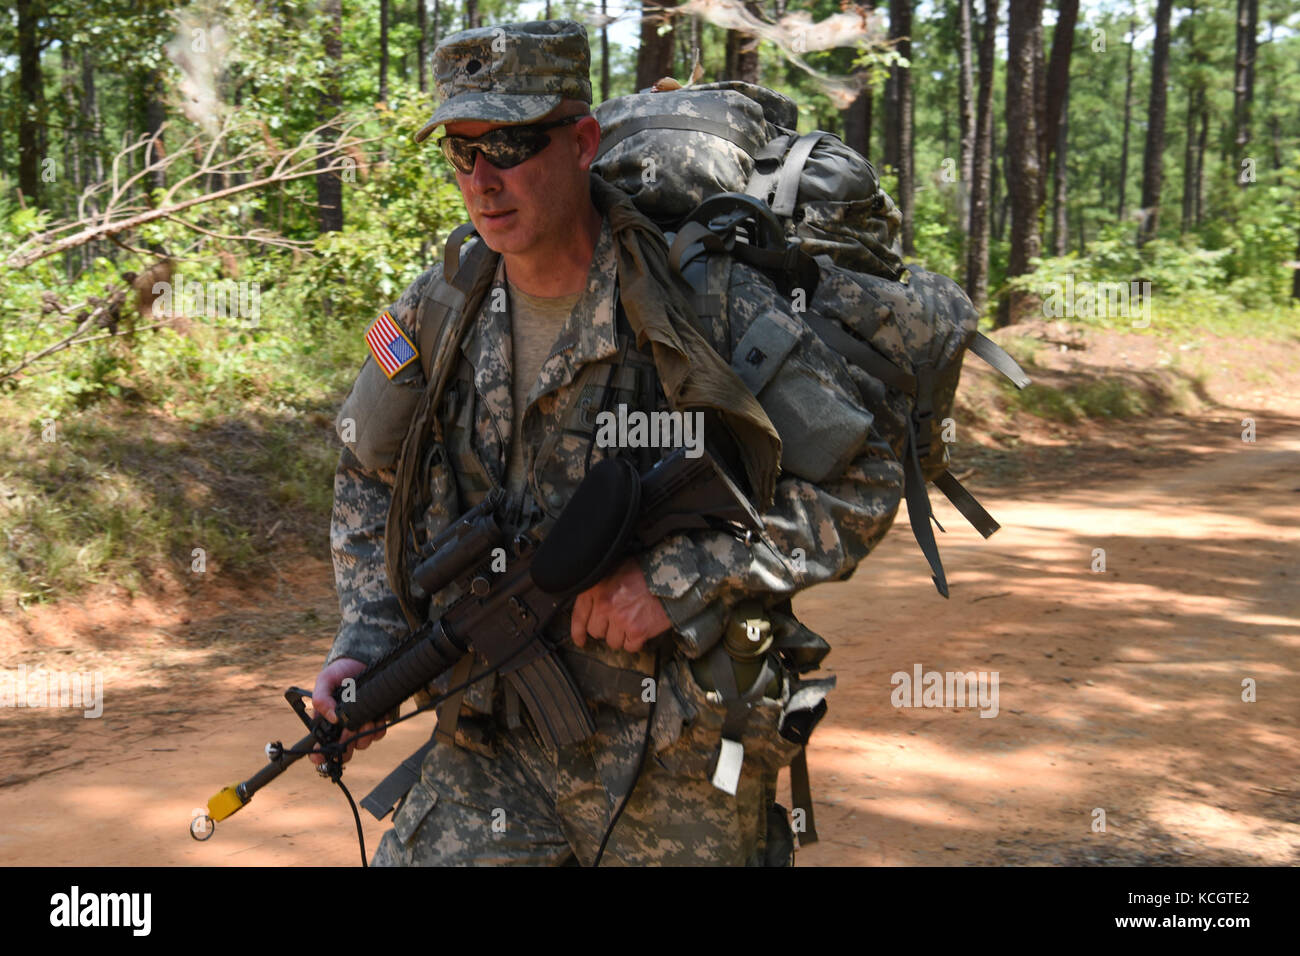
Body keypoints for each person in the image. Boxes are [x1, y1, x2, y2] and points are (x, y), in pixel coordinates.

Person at [311, 19, 904, 866]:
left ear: (583, 140)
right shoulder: (436, 310)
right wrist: (366, 642)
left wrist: (682, 579)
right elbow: (367, 475)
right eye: (462, 152)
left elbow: (865, 476)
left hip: (674, 757)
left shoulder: (702, 305)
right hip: (490, 740)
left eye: (511, 143)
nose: (484, 180)